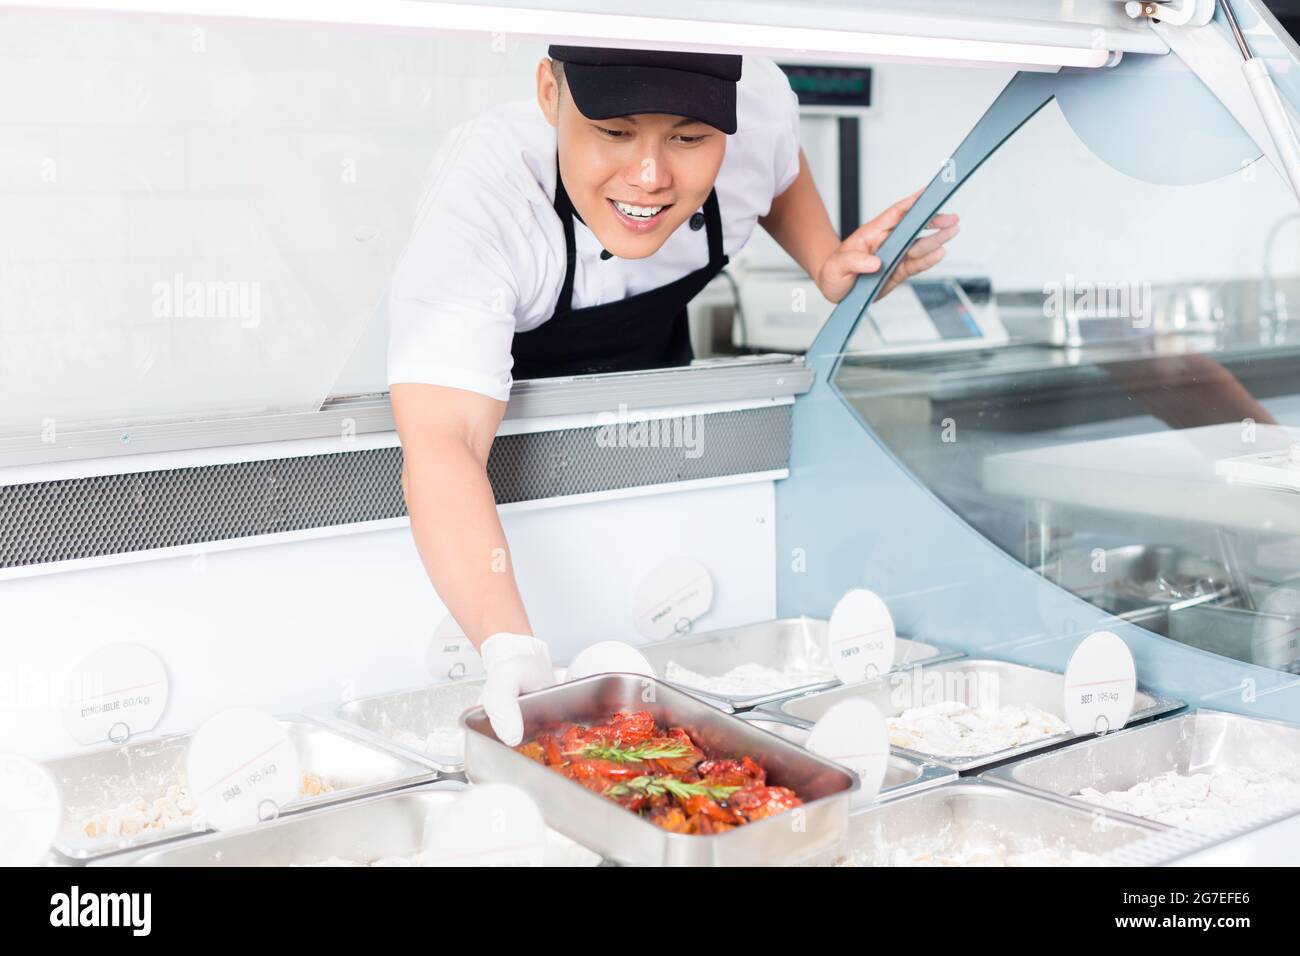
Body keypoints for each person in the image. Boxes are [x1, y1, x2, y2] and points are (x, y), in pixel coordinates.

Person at [387, 46, 958, 743]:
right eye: (614, 132)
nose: (651, 176)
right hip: (496, 502)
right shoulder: (488, 194)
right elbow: (445, 442)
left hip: (656, 440)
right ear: (548, 94)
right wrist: (508, 647)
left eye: (689, 137)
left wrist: (823, 260)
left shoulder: (759, 103)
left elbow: (774, 171)